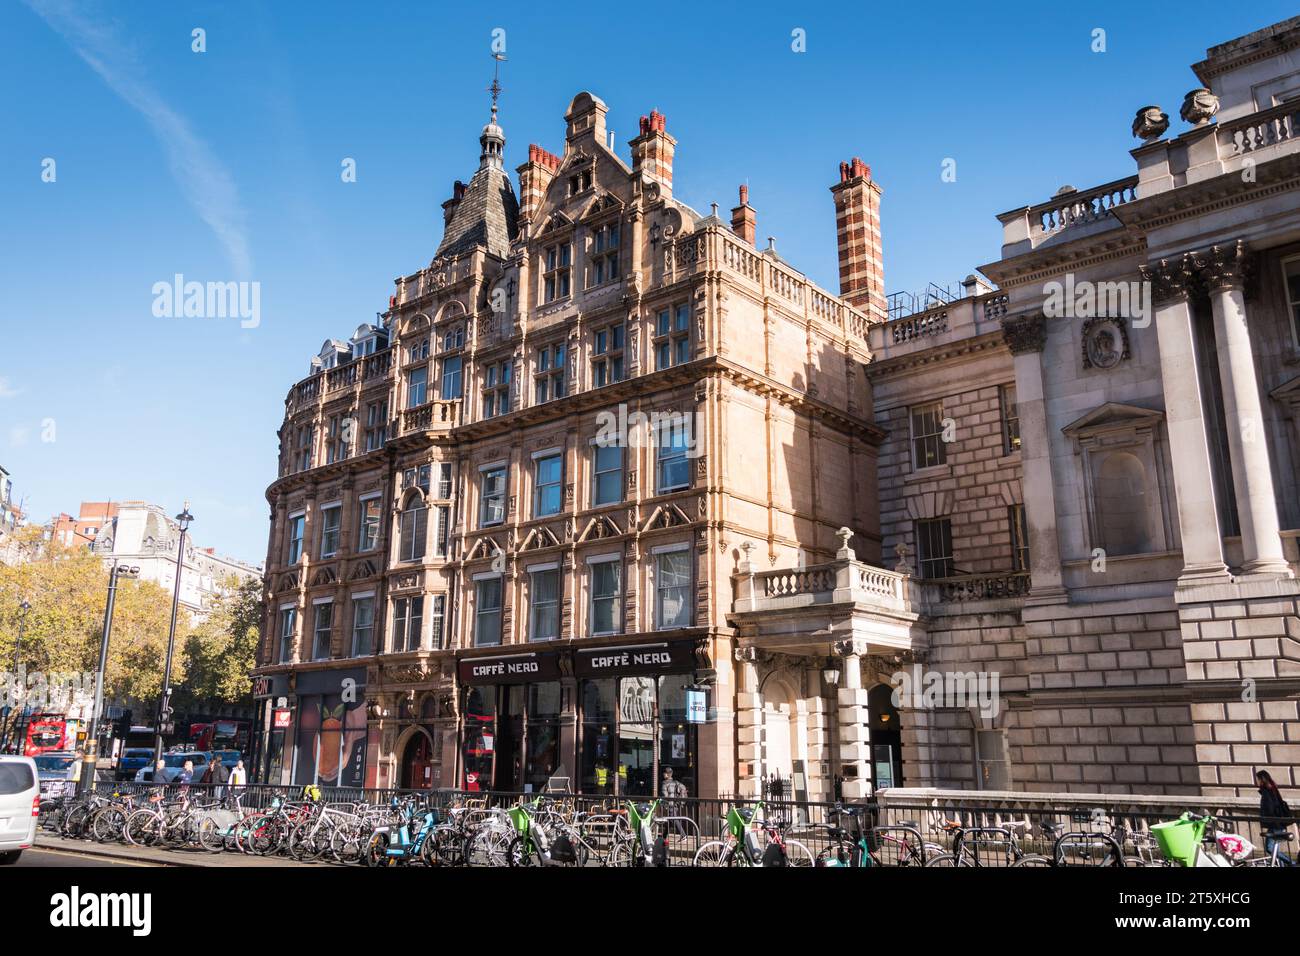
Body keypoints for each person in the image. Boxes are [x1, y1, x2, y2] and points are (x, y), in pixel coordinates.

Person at [1257, 769, 1294, 865]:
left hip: (1275, 824)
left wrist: (1266, 819)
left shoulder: (1267, 792)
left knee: (1270, 848)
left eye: (1257, 779)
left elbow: (1270, 809)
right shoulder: (1272, 789)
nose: (1256, 781)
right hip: (1276, 824)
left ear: (1262, 779)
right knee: (1273, 849)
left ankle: (1292, 863)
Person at [661, 766, 688, 838]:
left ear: (667, 774)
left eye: (664, 773)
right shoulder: (676, 782)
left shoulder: (664, 784)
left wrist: (663, 804)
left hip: (670, 805)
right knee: (670, 820)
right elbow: (683, 789)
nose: (663, 774)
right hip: (675, 804)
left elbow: (665, 795)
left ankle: (683, 835)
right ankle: (664, 836)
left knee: (674, 819)